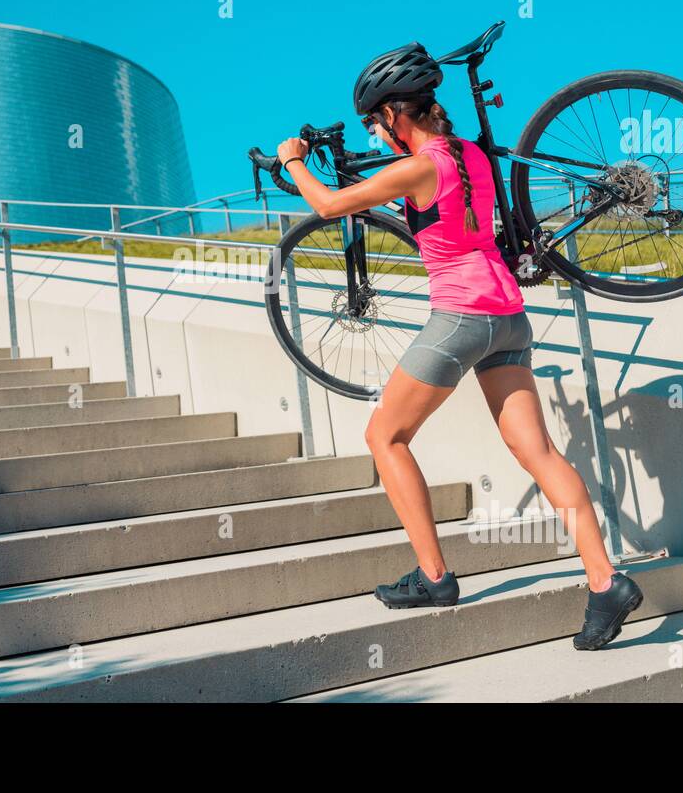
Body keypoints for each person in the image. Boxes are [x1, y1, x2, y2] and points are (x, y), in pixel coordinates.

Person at [274, 41, 643, 650]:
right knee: (540, 453)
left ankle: (435, 576)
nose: (375, 131)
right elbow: (407, 197)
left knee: (384, 436)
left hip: (461, 318)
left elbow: (334, 205)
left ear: (396, 112)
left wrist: (292, 161)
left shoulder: (421, 165)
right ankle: (604, 583)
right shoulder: (467, 154)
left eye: (375, 120)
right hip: (509, 318)